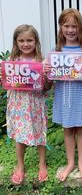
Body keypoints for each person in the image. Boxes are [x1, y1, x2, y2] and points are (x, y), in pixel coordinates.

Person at [45, 8, 82, 182]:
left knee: (81, 129)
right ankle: (70, 163)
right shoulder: (56, 50)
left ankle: (81, 163)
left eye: (74, 26)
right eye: (66, 25)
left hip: (80, 94)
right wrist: (48, 71)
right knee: (67, 130)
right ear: (61, 27)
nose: (70, 30)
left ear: (80, 28)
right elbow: (50, 79)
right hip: (63, 95)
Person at [2, 24, 50, 185]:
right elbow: (7, 83)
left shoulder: (41, 61)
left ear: (36, 41)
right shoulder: (11, 61)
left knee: (40, 133)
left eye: (29, 40)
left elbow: (47, 86)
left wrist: (47, 75)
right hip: (18, 104)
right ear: (16, 42)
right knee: (20, 135)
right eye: (21, 40)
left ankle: (42, 164)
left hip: (36, 103)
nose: (25, 44)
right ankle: (20, 165)